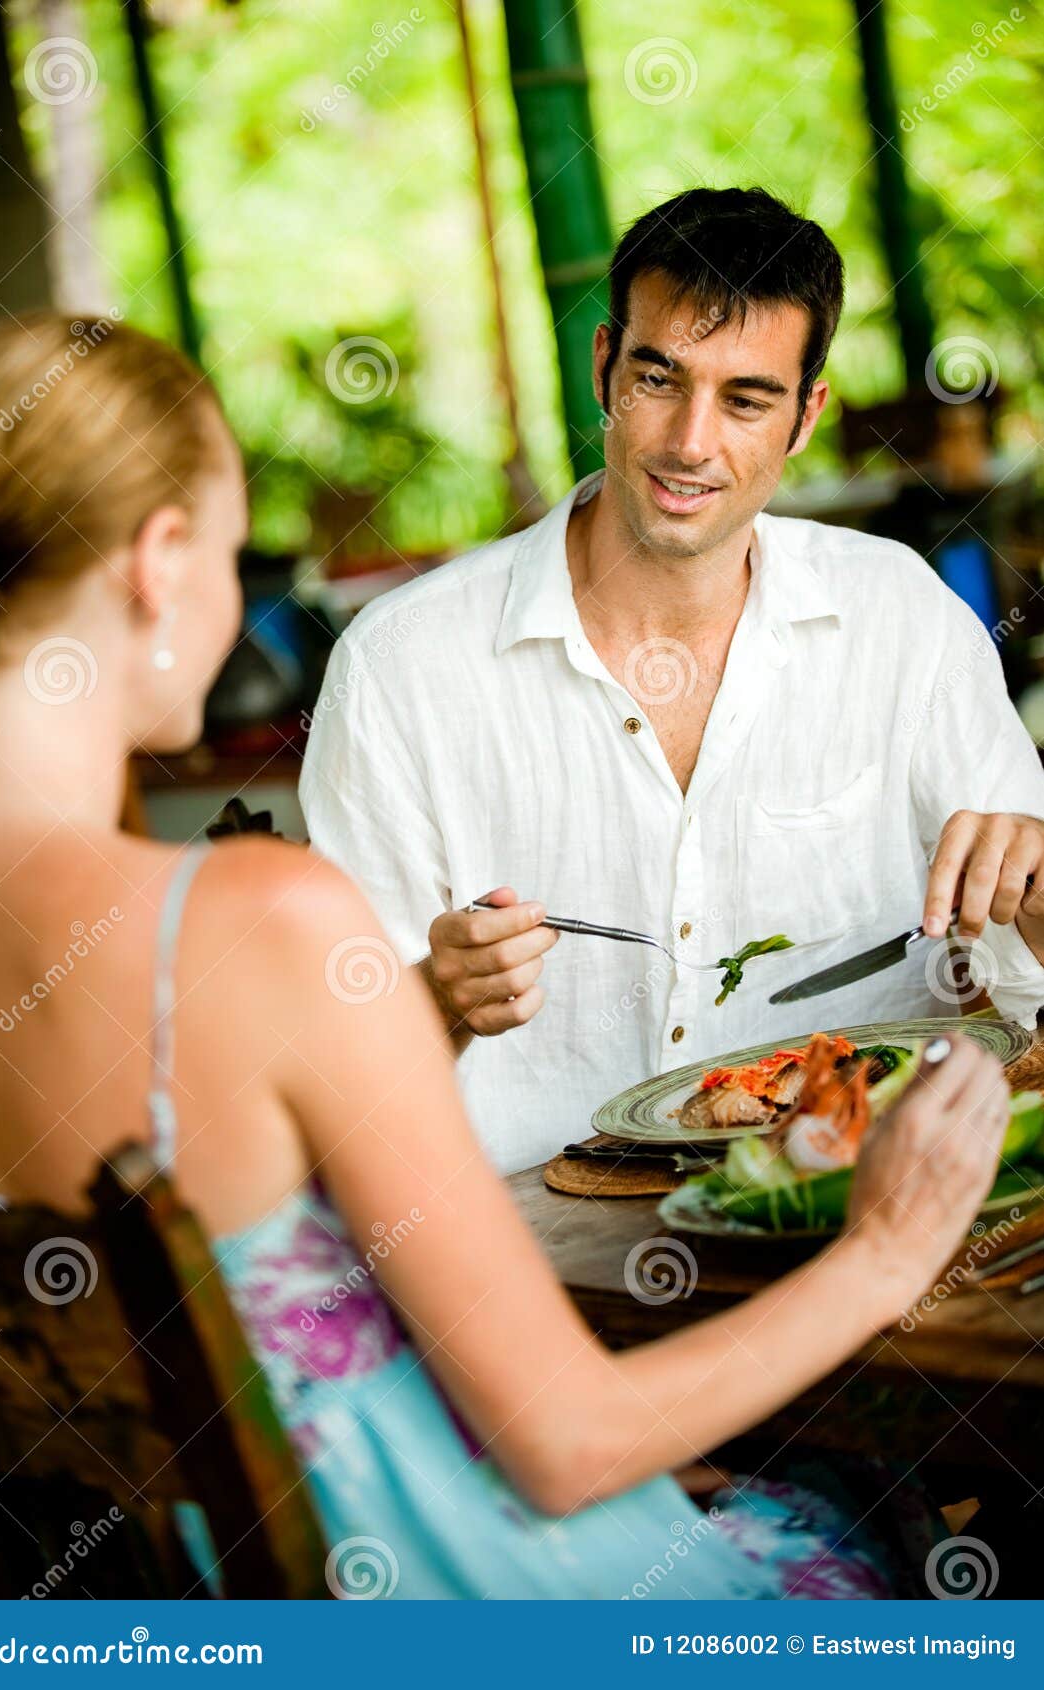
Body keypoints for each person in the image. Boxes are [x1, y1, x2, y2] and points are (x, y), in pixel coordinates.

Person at [0, 313, 1010, 1600]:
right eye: (233, 553)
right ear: (159, 557)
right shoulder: (254, 925)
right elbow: (569, 1447)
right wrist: (893, 1245)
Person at [300, 186, 1044, 1175]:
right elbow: (334, 1076)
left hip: (861, 1216)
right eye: (660, 379)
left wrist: (1034, 897)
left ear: (805, 415)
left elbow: (1024, 993)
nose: (691, 443)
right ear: (605, 366)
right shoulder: (401, 668)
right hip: (537, 1264)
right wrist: (436, 996)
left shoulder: (902, 621)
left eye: (746, 399)